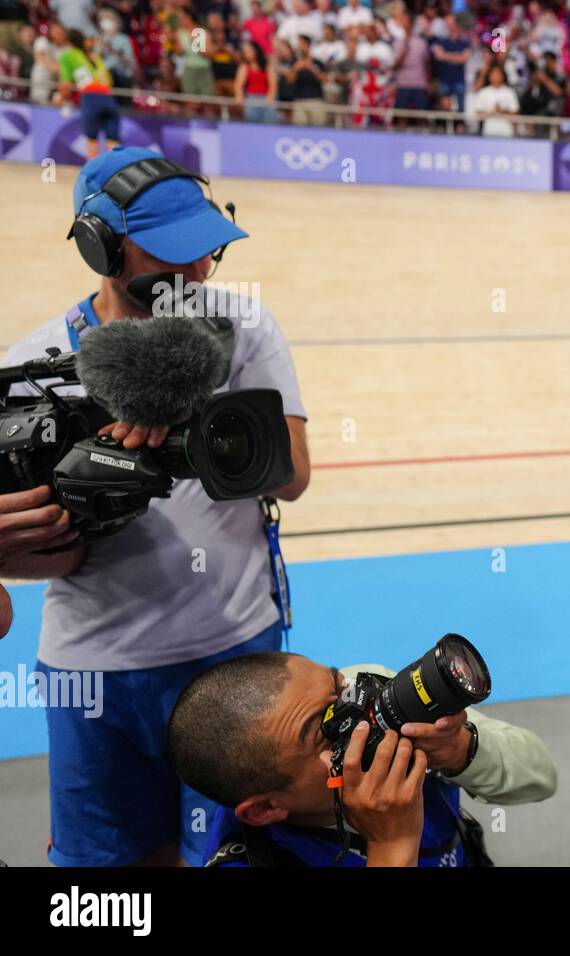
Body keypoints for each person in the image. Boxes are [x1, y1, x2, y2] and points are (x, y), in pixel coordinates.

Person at [0, 146, 311, 866]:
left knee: (239, 857)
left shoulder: (243, 328)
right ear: (100, 247)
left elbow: (291, 476)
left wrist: (192, 421)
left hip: (234, 649)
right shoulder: (33, 368)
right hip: (94, 669)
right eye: (172, 256)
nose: (198, 273)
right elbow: (53, 558)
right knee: (110, 889)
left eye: (206, 251)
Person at [166, 653, 558, 866]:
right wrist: (391, 844)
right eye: (326, 731)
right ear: (267, 809)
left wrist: (461, 752)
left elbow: (541, 777)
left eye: (338, 688)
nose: (359, 722)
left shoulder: (372, 694)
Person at [58, 29, 119, 158]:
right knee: (113, 144)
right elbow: (108, 80)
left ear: (68, 42)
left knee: (92, 145)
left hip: (91, 98)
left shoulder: (67, 56)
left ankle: (91, 175)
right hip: (109, 98)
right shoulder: (96, 58)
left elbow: (65, 85)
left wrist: (59, 99)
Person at [287, 33, 327, 125]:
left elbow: (325, 80)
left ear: (307, 45)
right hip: (299, 100)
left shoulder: (317, 62)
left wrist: (312, 69)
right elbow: (290, 81)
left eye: (301, 44)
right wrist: (295, 69)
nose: (299, 47)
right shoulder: (295, 63)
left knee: (318, 128)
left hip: (315, 100)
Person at [469, 61, 516, 137]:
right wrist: (492, 112)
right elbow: (478, 113)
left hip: (506, 131)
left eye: (498, 73)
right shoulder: (483, 92)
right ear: (489, 76)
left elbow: (515, 113)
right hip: (488, 130)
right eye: (494, 73)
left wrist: (502, 111)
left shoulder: (509, 92)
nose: (496, 76)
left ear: (503, 75)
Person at [234, 39, 278, 122]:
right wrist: (239, 97)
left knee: (270, 122)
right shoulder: (244, 67)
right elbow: (238, 85)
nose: (246, 53)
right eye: (245, 51)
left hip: (266, 99)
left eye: (248, 51)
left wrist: (270, 98)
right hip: (251, 99)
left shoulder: (267, 66)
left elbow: (273, 85)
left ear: (256, 51)